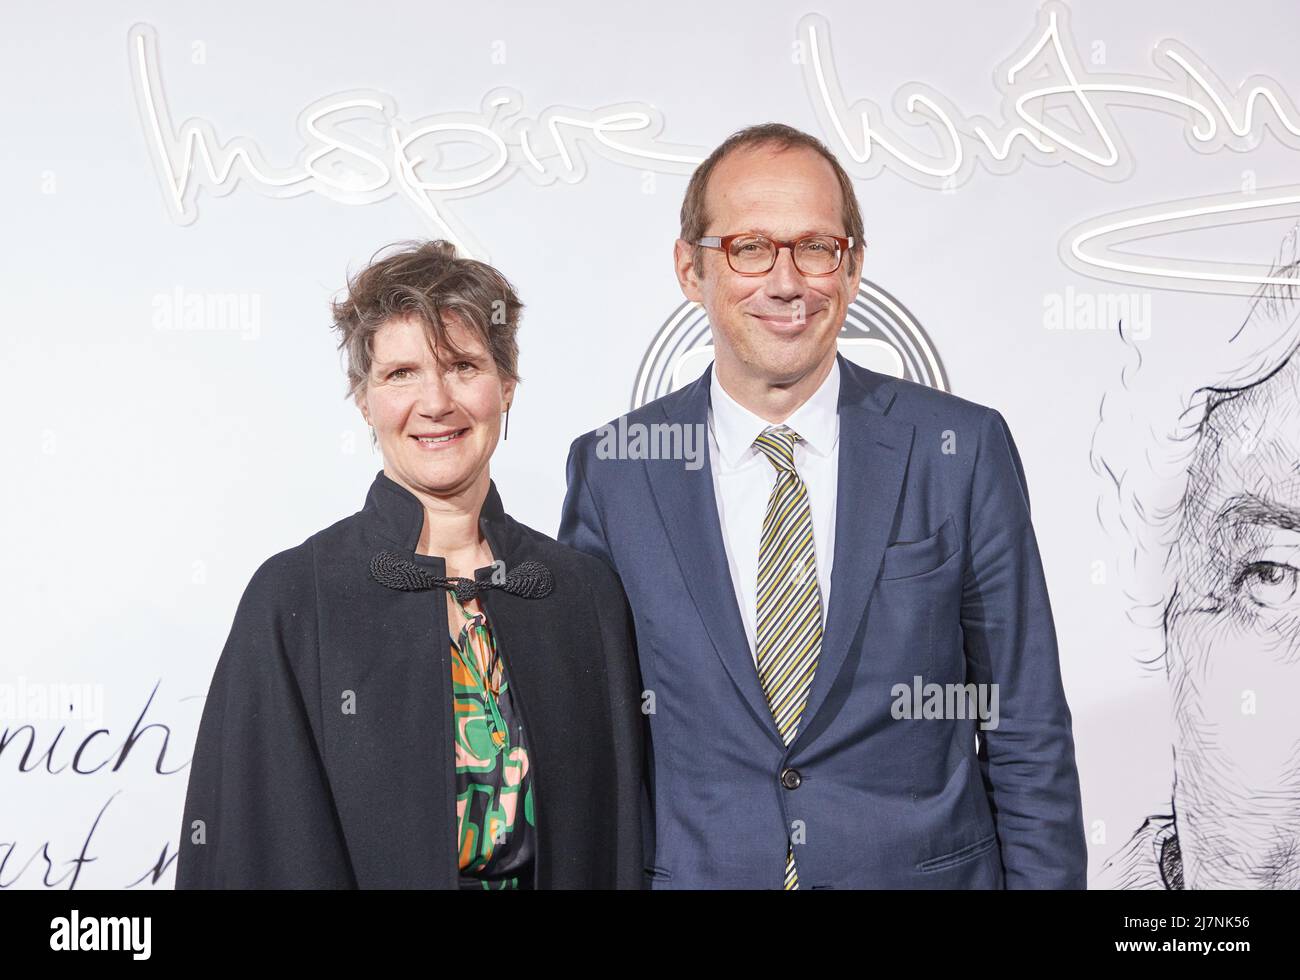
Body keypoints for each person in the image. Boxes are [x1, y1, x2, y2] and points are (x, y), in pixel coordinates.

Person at [559, 123, 1087, 888]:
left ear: (853, 267)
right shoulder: (614, 472)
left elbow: (1026, 727)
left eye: (815, 248)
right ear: (689, 268)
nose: (786, 282)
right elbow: (595, 747)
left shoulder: (959, 450)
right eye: (749, 248)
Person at [177, 240, 644, 889]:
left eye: (462, 367)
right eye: (401, 374)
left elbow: (623, 843)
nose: (436, 402)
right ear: (364, 399)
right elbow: (259, 852)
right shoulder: (295, 599)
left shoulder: (581, 595)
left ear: (506, 386)